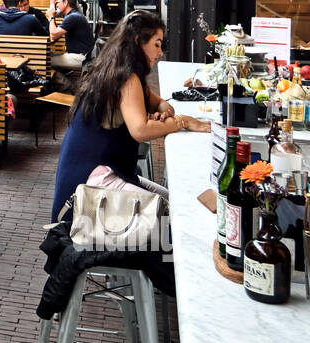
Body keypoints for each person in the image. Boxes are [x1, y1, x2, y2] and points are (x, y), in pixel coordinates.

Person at [51, 12, 210, 222]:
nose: (160, 52)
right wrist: (184, 121)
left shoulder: (114, 68)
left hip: (97, 172)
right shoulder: (126, 77)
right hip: (90, 184)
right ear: (137, 41)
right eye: (157, 44)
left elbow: (162, 104)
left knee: (176, 202)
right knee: (174, 215)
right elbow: (140, 130)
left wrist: (163, 113)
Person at [49, 0, 93, 72]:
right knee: (48, 55)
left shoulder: (72, 17)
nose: (57, 5)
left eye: (58, 2)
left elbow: (53, 35)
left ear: (65, 3)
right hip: (83, 55)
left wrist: (50, 17)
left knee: (46, 61)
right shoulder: (74, 14)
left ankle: (65, 80)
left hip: (82, 58)